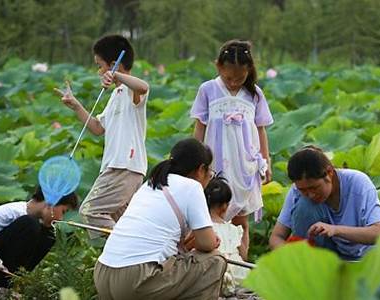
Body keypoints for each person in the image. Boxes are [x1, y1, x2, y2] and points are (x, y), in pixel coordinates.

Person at [94, 138, 226, 300]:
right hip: (136, 279)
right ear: (201, 169)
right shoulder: (192, 186)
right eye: (210, 174)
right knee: (215, 261)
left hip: (103, 273)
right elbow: (207, 244)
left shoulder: (151, 184)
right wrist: (212, 240)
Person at [269, 145, 380, 290]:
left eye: (314, 188)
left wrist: (335, 230)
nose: (310, 194)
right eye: (303, 190)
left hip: (364, 261)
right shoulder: (297, 191)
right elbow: (276, 237)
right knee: (304, 205)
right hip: (321, 263)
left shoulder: (358, 183)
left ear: (329, 173)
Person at [57, 34, 149, 238]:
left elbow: (143, 87)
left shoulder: (131, 91)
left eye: (100, 66)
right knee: (123, 222)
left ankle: (124, 247)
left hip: (124, 166)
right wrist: (75, 105)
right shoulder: (115, 96)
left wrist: (117, 76)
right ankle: (129, 259)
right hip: (115, 166)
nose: (99, 71)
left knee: (90, 211)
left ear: (113, 65)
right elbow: (98, 128)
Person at [191, 39, 274, 259]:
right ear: (218, 66)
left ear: (249, 71)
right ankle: (217, 263)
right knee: (212, 215)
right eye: (229, 78)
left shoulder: (254, 93)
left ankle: (240, 264)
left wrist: (266, 161)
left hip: (244, 165)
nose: (235, 83)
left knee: (241, 220)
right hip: (216, 163)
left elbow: (261, 129)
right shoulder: (208, 90)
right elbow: (200, 126)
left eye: (241, 78)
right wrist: (195, 161)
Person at [0, 186, 78, 288]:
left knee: (49, 235)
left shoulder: (36, 223)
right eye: (63, 211)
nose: (61, 218)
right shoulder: (15, 211)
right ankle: (1, 282)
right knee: (30, 224)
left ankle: (12, 282)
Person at [204, 175, 249, 296]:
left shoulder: (203, 229)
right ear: (225, 206)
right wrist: (245, 228)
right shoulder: (233, 229)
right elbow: (244, 255)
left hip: (214, 274)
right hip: (237, 274)